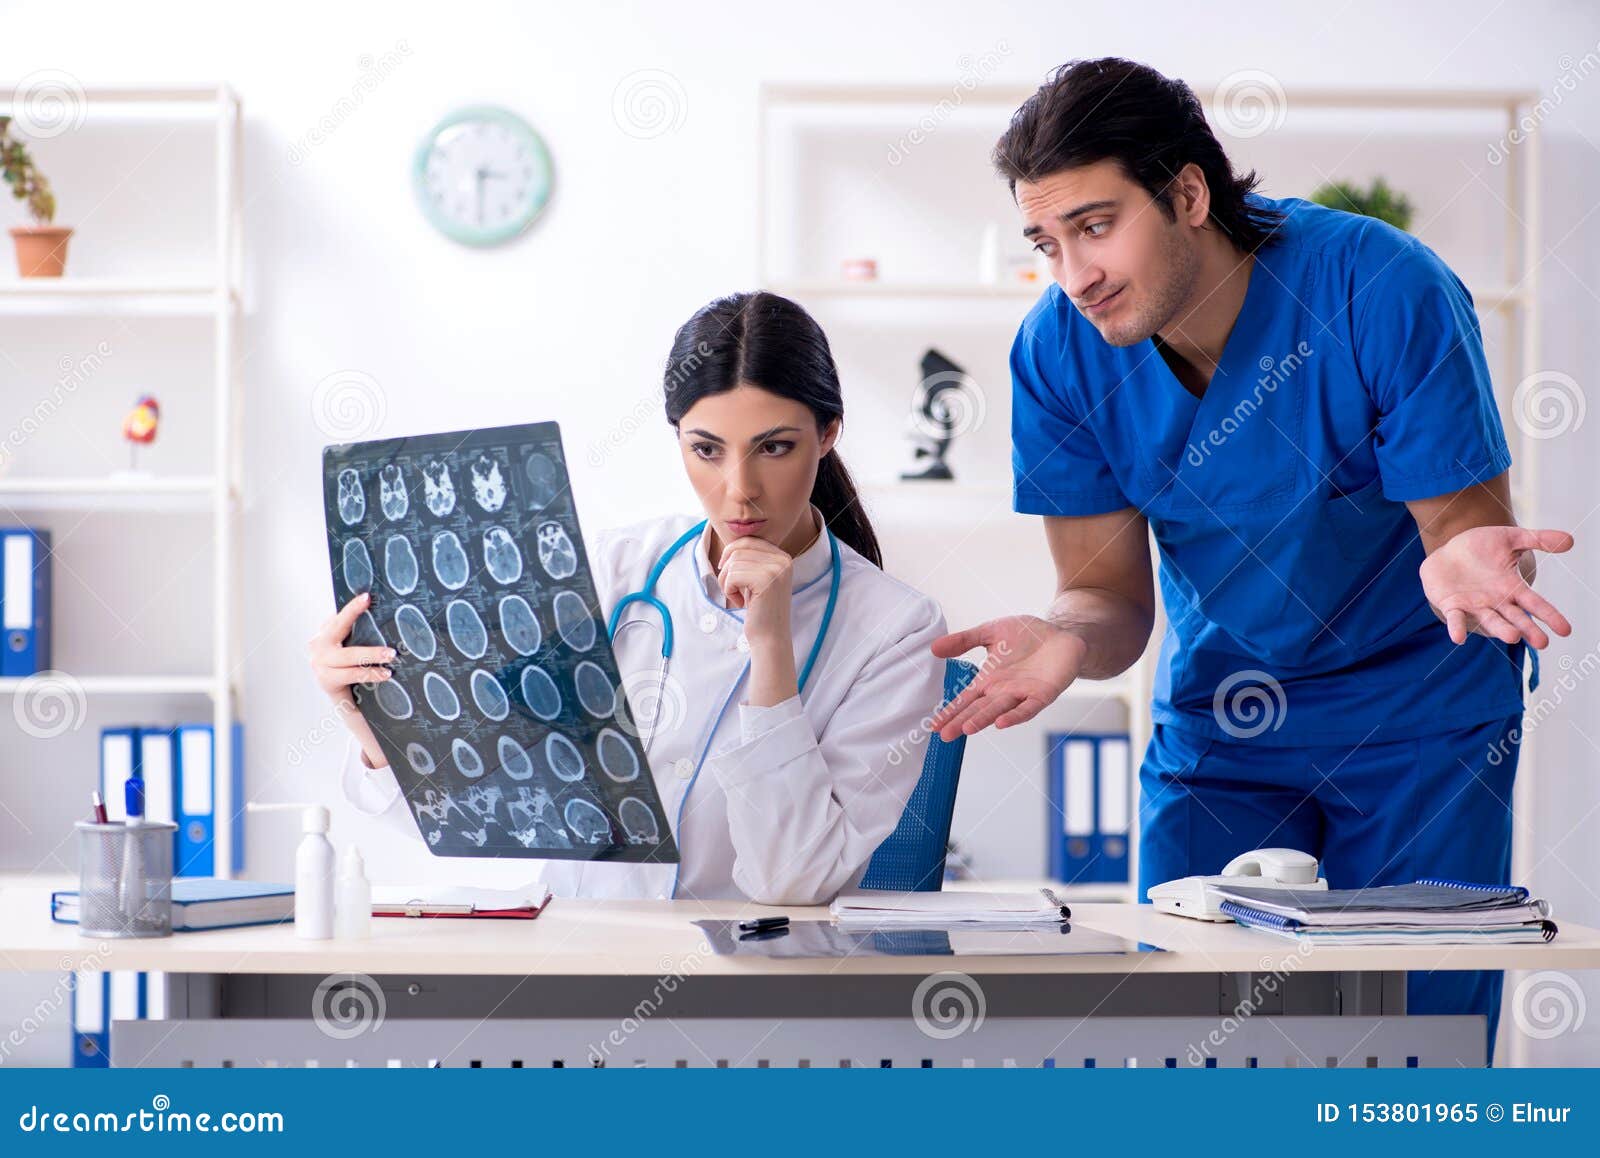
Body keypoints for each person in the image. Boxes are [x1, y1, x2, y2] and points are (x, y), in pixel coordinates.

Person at [930, 58, 1573, 1060]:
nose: (1074, 274)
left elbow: (1467, 538)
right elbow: (1105, 598)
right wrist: (1064, 639)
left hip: (1421, 719)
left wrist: (1461, 559)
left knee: (1418, 1039)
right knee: (1191, 1037)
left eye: (1095, 226)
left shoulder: (1379, 287)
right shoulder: (1058, 351)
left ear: (1188, 193)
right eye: (1046, 242)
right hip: (1228, 717)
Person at [311, 291, 947, 905]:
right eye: (706, 450)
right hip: (574, 957)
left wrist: (772, 647)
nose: (739, 489)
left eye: (774, 447)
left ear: (829, 432)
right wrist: (369, 718)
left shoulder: (897, 630)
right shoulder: (613, 570)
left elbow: (794, 882)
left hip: (750, 987)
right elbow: (472, 806)